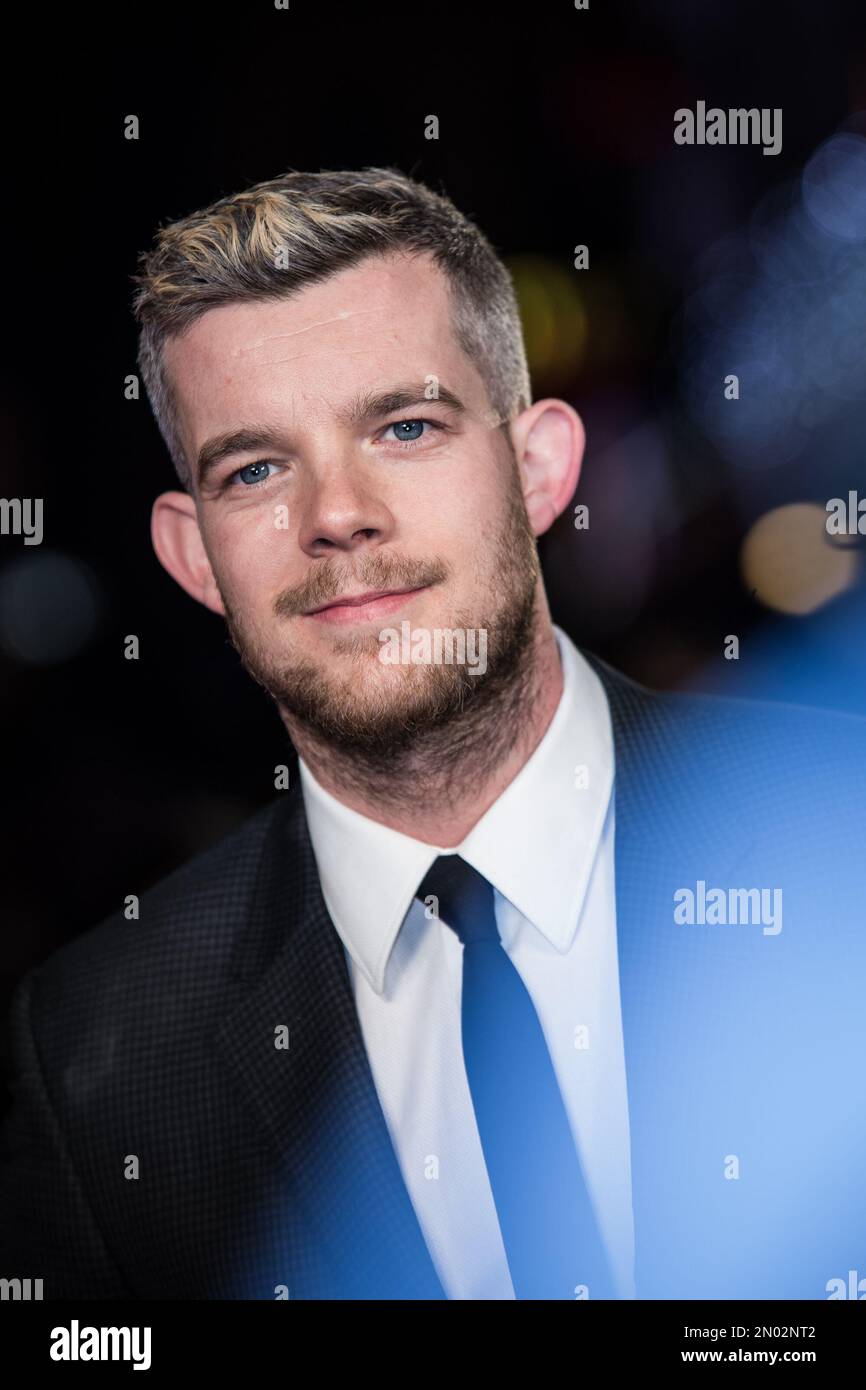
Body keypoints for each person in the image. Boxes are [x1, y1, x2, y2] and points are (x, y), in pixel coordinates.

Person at [1, 167, 864, 1301]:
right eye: (256, 468)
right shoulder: (95, 1058)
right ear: (194, 556)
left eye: (404, 427)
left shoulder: (836, 833)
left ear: (540, 467)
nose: (335, 515)